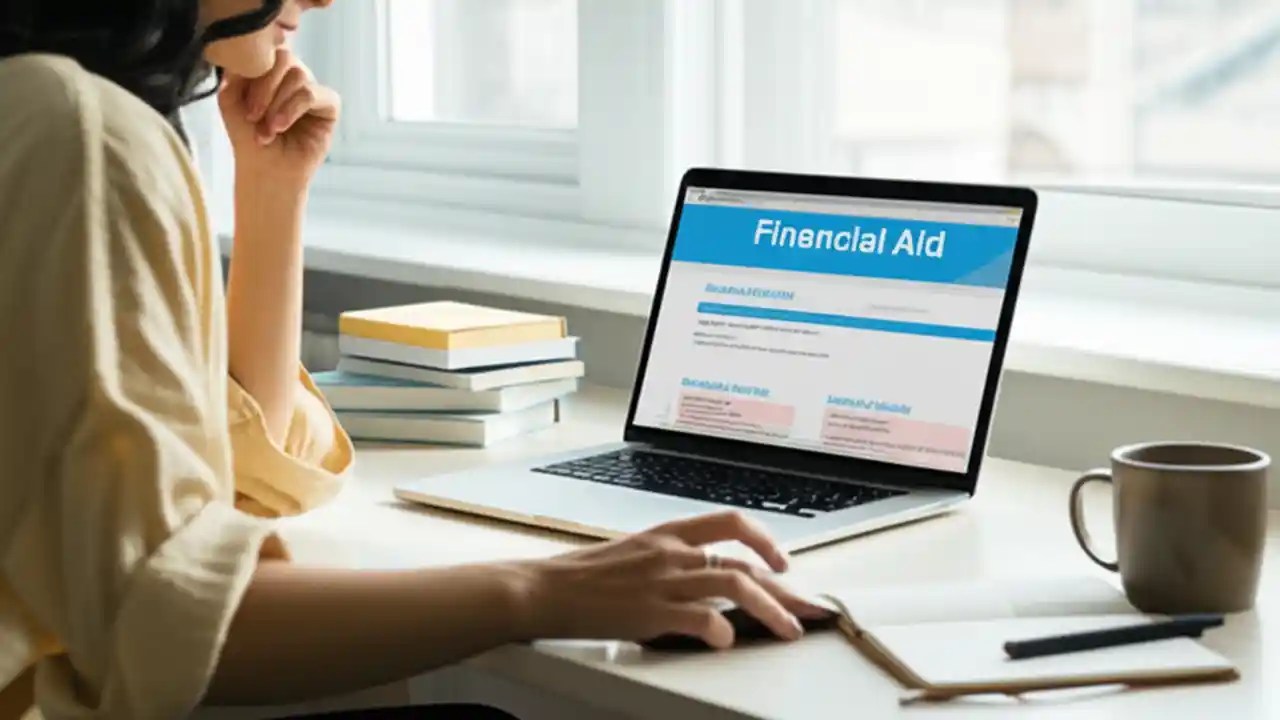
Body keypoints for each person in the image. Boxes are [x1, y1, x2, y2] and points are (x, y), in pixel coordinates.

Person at [0, 1, 830, 718]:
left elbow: (234, 468)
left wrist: (273, 188)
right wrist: (546, 590)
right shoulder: (80, 125)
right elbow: (162, 625)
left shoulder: (44, 99)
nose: (325, 1)